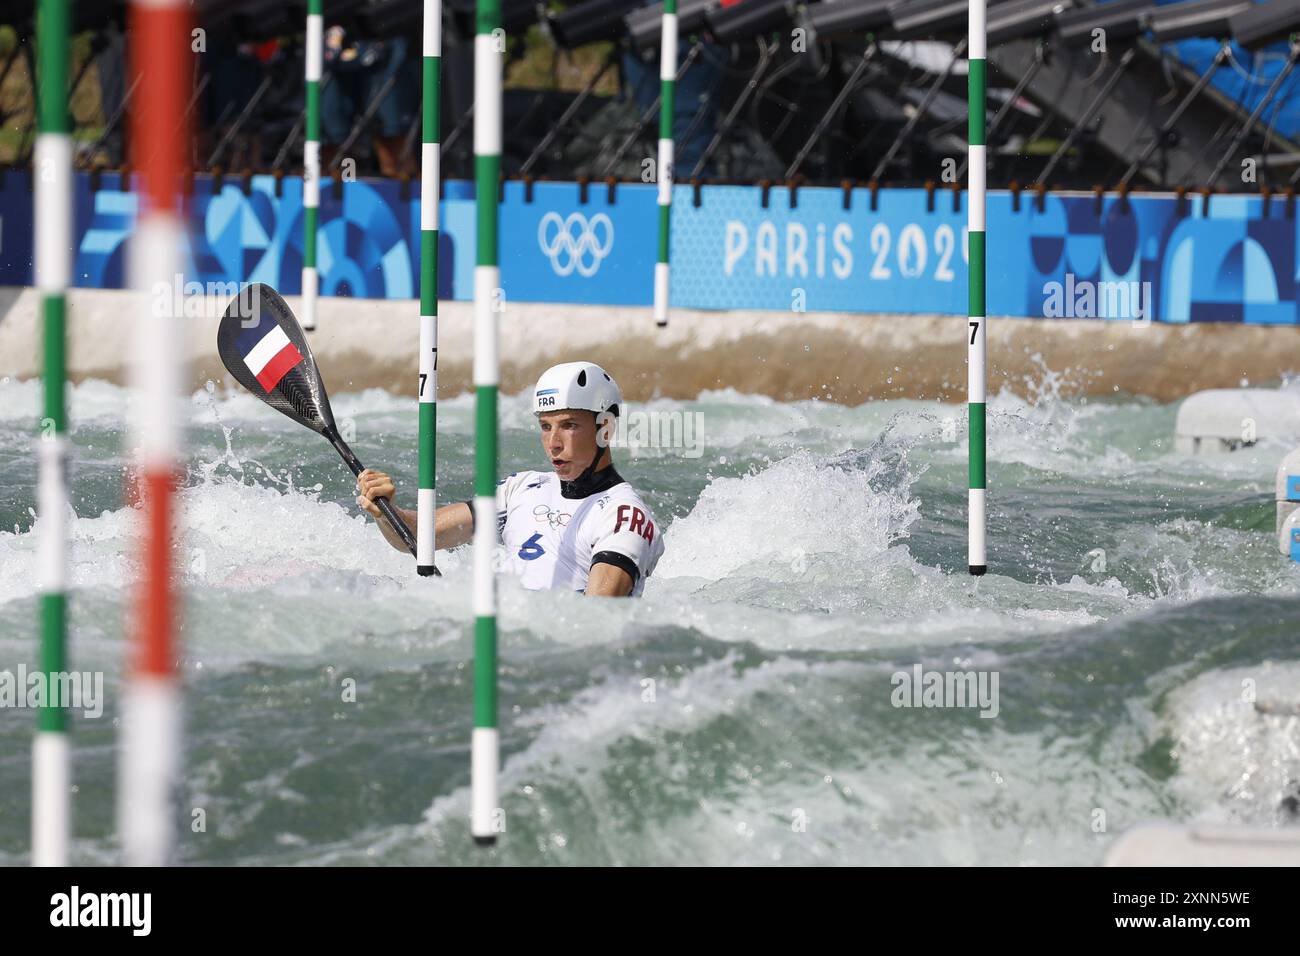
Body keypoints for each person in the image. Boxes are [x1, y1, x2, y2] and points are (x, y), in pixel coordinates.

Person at [356, 362, 664, 597]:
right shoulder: (522, 488)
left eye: (569, 425)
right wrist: (386, 512)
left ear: (605, 428)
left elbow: (595, 620)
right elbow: (420, 539)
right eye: (545, 427)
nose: (553, 442)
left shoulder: (625, 517)